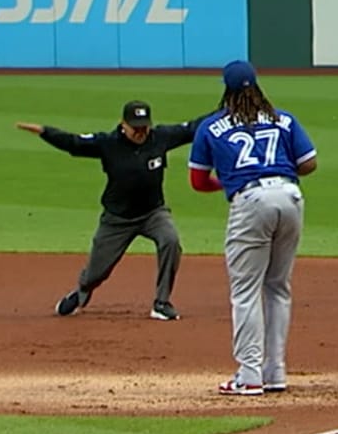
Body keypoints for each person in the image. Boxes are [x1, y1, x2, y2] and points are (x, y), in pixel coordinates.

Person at [188, 61, 318, 396]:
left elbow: (197, 181)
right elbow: (309, 163)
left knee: (245, 292)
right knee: (278, 288)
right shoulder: (283, 118)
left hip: (251, 202)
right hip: (291, 197)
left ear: (225, 88)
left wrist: (230, 182)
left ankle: (249, 375)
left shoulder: (211, 126)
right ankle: (275, 372)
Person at [16, 101, 203, 320]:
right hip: (117, 220)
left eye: (144, 127)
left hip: (154, 213)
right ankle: (81, 293)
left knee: (170, 241)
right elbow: (74, 143)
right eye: (136, 128)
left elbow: (192, 128)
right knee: (96, 273)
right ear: (123, 124)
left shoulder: (160, 137)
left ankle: (162, 302)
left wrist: (231, 107)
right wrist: (45, 132)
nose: (141, 132)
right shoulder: (108, 143)